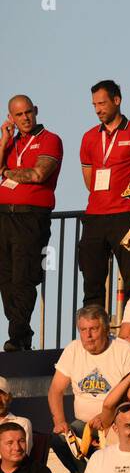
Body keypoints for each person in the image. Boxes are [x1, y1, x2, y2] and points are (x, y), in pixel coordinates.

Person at [77, 80, 130, 309]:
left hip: (126, 216)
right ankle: (94, 339)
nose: (98, 109)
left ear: (117, 101)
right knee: (92, 283)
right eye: (94, 104)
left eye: (102, 103)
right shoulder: (88, 137)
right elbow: (90, 182)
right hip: (94, 216)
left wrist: (129, 188)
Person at [0, 94, 62, 351]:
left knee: (23, 278)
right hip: (4, 215)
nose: (25, 118)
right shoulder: (11, 143)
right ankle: (21, 335)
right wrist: (3, 144)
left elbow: (38, 174)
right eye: (19, 115)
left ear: (35, 110)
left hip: (31, 216)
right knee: (5, 278)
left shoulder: (50, 139)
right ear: (11, 118)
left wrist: (4, 171)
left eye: (28, 112)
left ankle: (17, 338)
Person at [48, 304, 130, 473]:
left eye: (93, 329)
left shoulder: (124, 350)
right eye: (83, 330)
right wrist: (60, 422)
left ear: (106, 329)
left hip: (115, 423)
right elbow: (55, 390)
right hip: (83, 424)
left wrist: (106, 416)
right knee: (59, 438)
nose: (88, 336)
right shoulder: (73, 349)